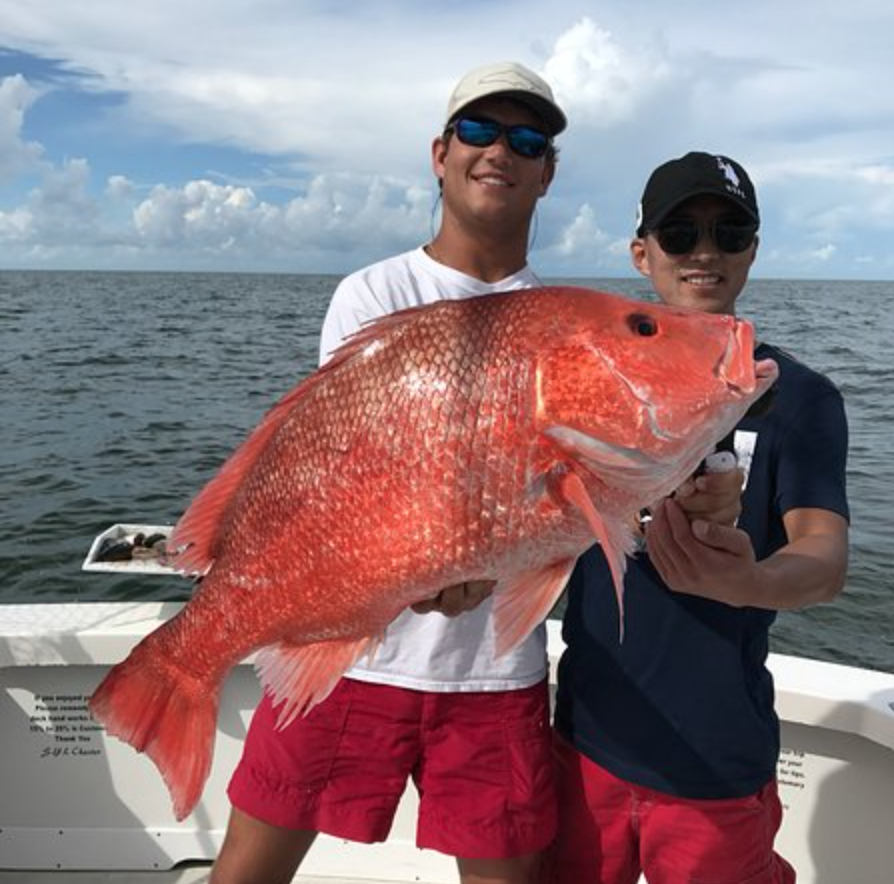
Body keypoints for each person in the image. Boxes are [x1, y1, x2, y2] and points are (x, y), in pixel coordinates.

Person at [209, 61, 567, 884]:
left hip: (492, 670)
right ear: (439, 154)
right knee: (249, 868)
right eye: (478, 130)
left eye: (526, 138)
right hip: (350, 653)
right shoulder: (372, 293)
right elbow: (340, 472)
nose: (498, 151)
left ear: (548, 171)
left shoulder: (560, 322)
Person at [543, 152, 850, 884]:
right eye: (679, 234)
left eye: (729, 230)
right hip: (587, 741)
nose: (704, 250)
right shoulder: (590, 381)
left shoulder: (796, 396)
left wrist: (749, 582)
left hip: (716, 757)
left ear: (754, 246)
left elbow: (825, 558)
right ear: (642, 254)